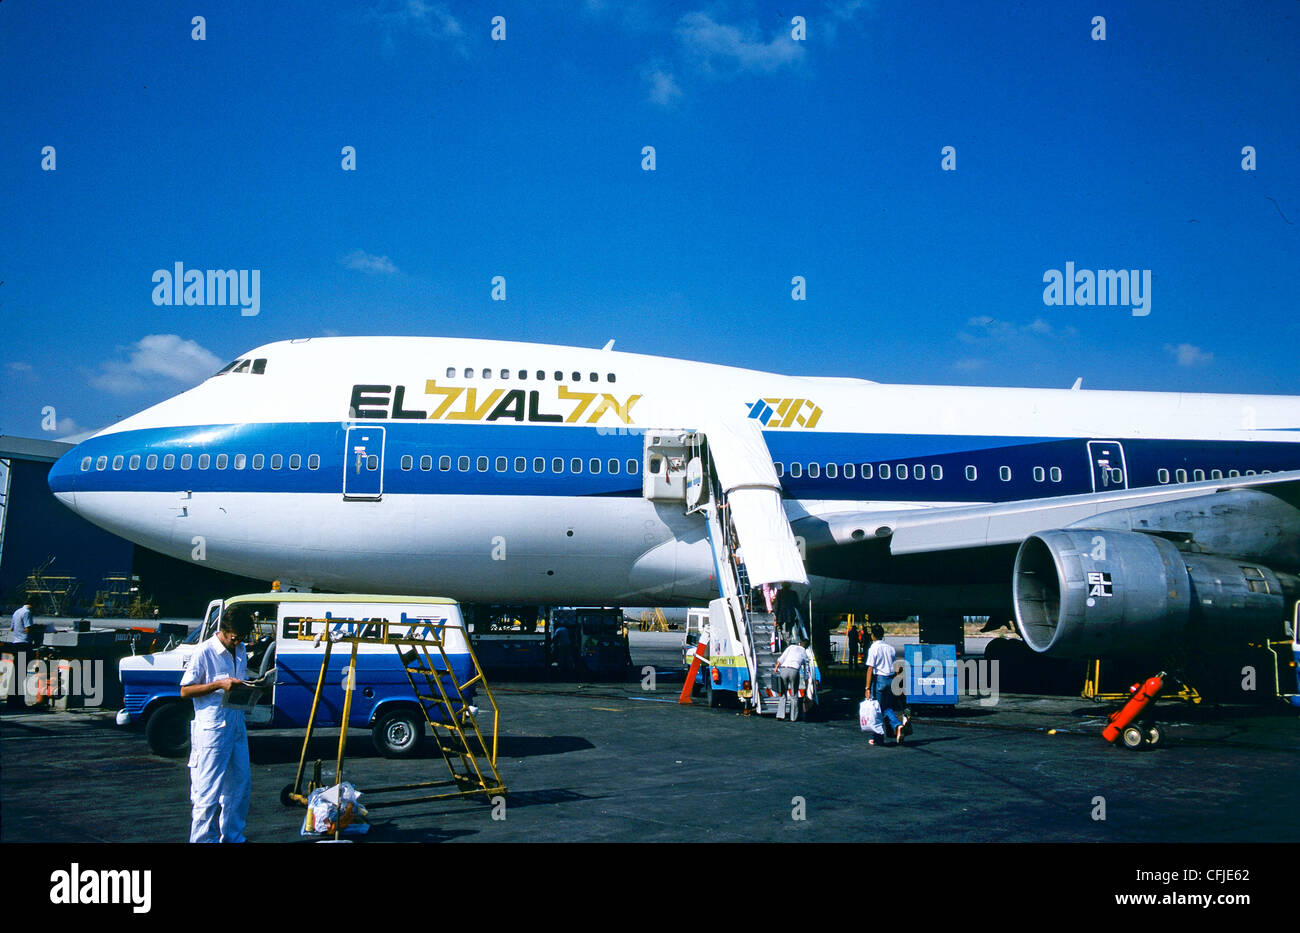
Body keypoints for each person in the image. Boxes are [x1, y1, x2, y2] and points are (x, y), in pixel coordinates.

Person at [180, 609, 255, 842]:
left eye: (241, 637)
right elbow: (185, 690)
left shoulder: (240, 649)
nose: (238, 641)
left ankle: (233, 836)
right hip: (212, 730)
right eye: (234, 637)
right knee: (207, 790)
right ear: (223, 631)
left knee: (240, 786)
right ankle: (202, 839)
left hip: (235, 724)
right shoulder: (205, 652)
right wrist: (219, 684)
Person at [864, 624, 908, 746]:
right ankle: (881, 735)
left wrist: (867, 687)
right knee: (886, 707)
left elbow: (870, 668)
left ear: (872, 635)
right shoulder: (890, 648)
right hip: (891, 680)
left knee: (878, 709)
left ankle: (894, 727)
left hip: (880, 680)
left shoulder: (873, 648)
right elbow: (895, 667)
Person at [774, 639, 811, 722]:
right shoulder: (804, 653)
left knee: (783, 694)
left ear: (799, 643)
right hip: (794, 671)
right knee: (794, 695)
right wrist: (806, 680)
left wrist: (776, 667)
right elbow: (806, 668)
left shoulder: (791, 647)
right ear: (806, 647)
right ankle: (793, 717)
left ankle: (780, 715)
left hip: (784, 669)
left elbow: (782, 658)